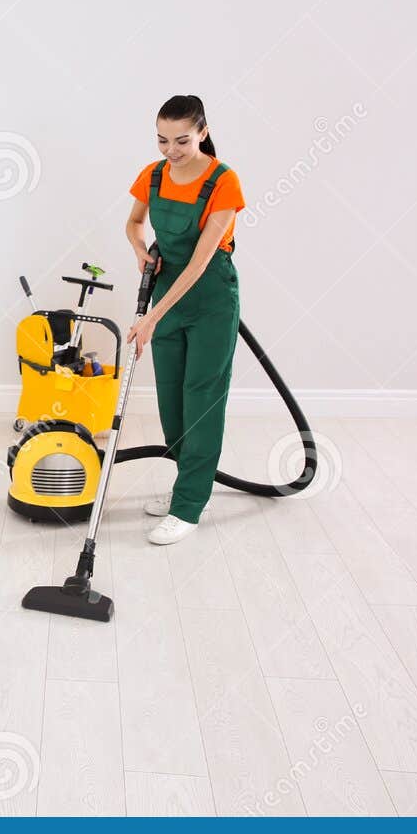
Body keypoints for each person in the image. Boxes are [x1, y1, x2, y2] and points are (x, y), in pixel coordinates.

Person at [123, 94, 247, 545]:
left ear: (203, 133)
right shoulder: (153, 175)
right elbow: (134, 224)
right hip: (166, 292)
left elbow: (199, 262)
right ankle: (189, 485)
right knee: (171, 400)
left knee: (202, 399)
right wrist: (140, 251)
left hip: (209, 297)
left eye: (181, 140)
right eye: (162, 140)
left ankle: (189, 506)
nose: (170, 150)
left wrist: (151, 317)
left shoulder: (223, 182)